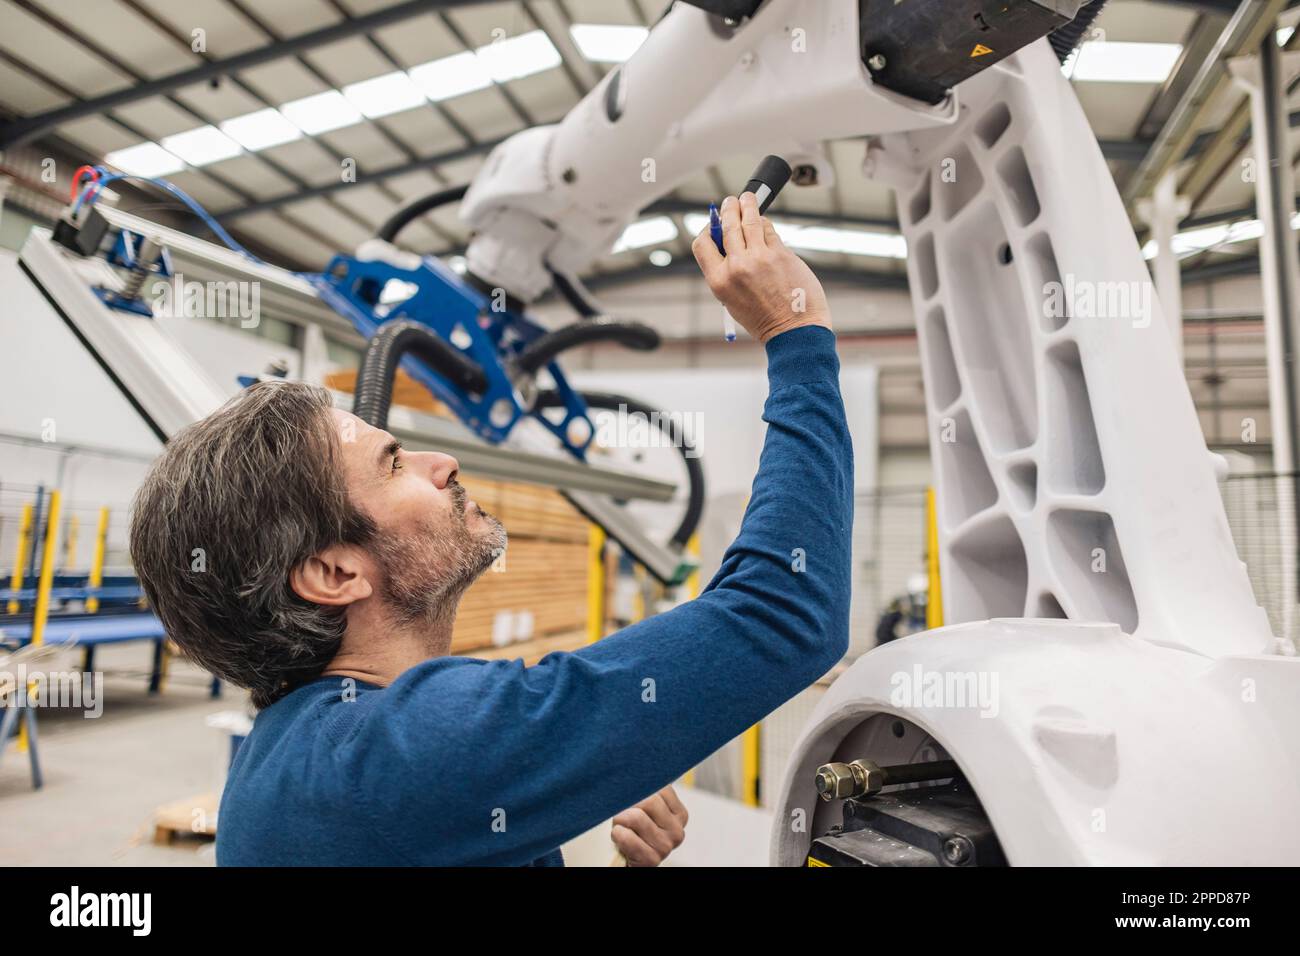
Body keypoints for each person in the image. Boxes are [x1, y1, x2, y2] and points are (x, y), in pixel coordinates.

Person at [128, 192, 853, 866]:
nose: (441, 462)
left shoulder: (306, 754)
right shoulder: (405, 751)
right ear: (334, 573)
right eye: (393, 464)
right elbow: (783, 613)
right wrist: (797, 335)